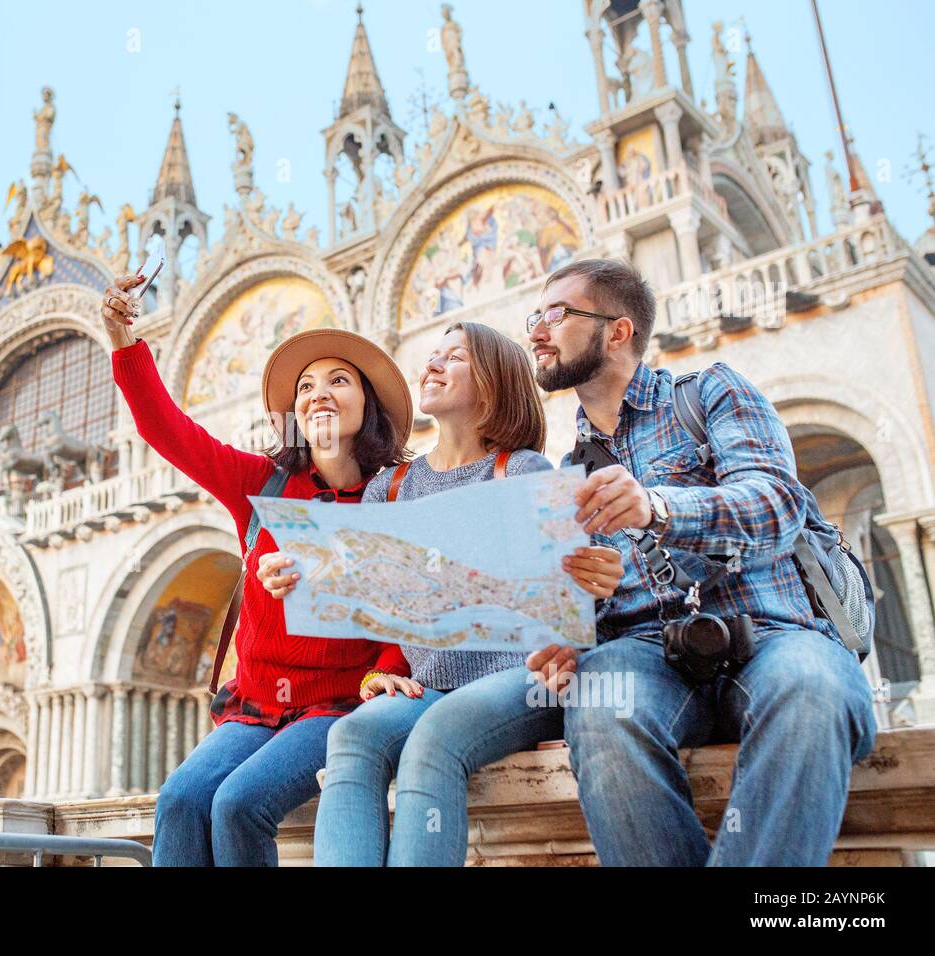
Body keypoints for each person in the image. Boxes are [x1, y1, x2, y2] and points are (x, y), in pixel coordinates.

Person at [524, 257, 876, 866]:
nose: (536, 331)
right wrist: (572, 634)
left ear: (618, 330)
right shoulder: (569, 472)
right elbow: (593, 597)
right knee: (603, 712)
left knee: (815, 691)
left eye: (557, 314)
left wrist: (657, 506)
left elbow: (776, 503)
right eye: (535, 317)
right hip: (644, 653)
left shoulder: (711, 391)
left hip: (773, 629)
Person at [259, 321, 623, 866]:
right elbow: (374, 598)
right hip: (427, 686)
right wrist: (296, 577)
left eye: (454, 358)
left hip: (521, 681)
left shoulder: (521, 470)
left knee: (436, 736)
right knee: (353, 736)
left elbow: (564, 594)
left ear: (493, 384)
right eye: (433, 355)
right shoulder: (391, 486)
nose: (431, 365)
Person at [99, 273, 413, 866]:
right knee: (181, 799)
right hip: (256, 702)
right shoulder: (261, 485)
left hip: (337, 703)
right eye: (306, 386)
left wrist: (386, 672)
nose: (320, 393)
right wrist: (123, 340)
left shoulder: (397, 494)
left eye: (339, 381)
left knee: (239, 804)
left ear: (367, 404)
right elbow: (168, 431)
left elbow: (413, 604)